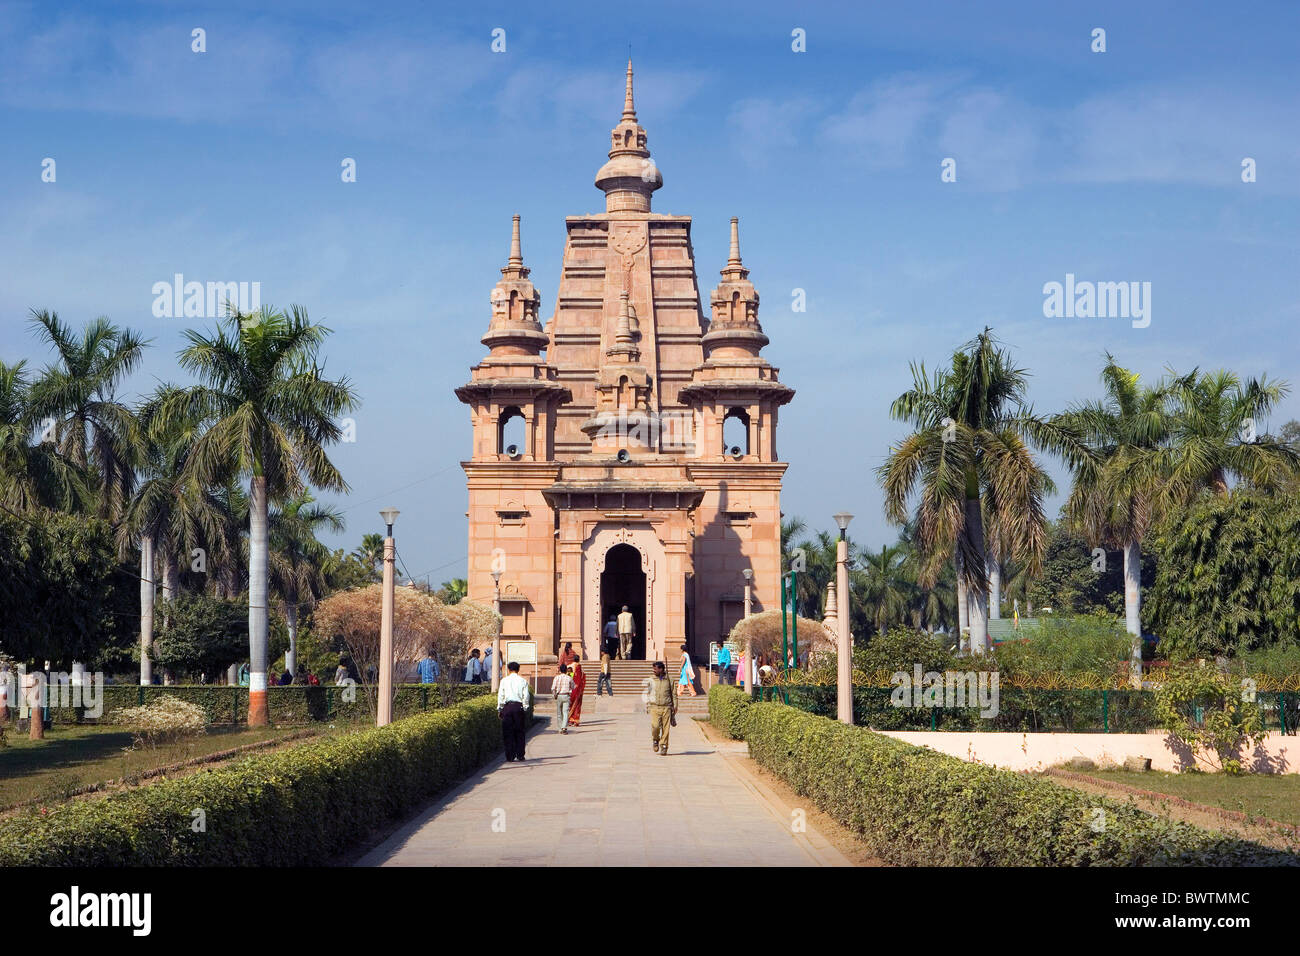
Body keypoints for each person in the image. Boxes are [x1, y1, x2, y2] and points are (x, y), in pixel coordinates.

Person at [497, 661, 531, 761]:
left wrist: (500, 708)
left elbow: (501, 696)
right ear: (518, 670)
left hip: (507, 707)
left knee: (508, 732)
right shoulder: (522, 681)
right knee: (519, 731)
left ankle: (510, 755)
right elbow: (526, 696)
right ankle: (520, 754)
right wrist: (525, 707)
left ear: (508, 669)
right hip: (518, 707)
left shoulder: (504, 680)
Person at [646, 661, 677, 756]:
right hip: (654, 706)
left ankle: (664, 746)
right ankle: (655, 739)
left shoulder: (669, 680)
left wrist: (675, 706)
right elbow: (648, 692)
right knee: (655, 726)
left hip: (666, 707)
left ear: (661, 669)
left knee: (666, 728)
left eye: (655, 669)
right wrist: (648, 705)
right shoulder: (651, 679)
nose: (653, 671)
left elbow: (674, 694)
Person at [552, 663, 574, 734]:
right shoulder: (569, 678)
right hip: (566, 695)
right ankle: (564, 727)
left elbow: (553, 688)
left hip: (559, 695)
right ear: (566, 670)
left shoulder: (557, 677)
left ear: (560, 670)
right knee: (565, 712)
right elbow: (573, 686)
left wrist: (554, 695)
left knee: (559, 713)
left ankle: (560, 728)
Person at [568, 654, 586, 726]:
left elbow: (569, 677)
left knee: (571, 704)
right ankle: (576, 720)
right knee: (577, 705)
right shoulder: (579, 667)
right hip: (577, 689)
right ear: (578, 660)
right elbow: (581, 678)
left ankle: (570, 719)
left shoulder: (570, 666)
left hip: (571, 688)